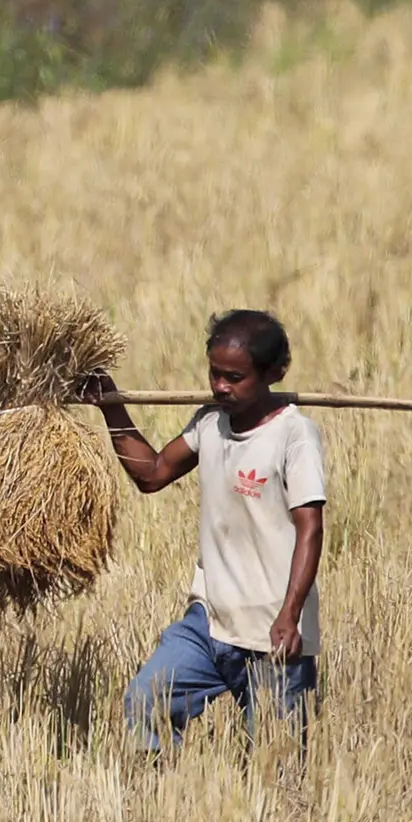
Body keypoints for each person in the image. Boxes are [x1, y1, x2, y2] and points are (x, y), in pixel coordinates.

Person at [81, 309, 325, 753]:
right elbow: (152, 474)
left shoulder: (295, 436)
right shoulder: (210, 423)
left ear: (274, 373)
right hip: (208, 620)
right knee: (147, 699)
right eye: (215, 374)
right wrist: (111, 406)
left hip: (270, 630)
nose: (220, 387)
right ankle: (153, 802)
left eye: (235, 377)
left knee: (278, 760)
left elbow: (311, 528)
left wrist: (290, 616)